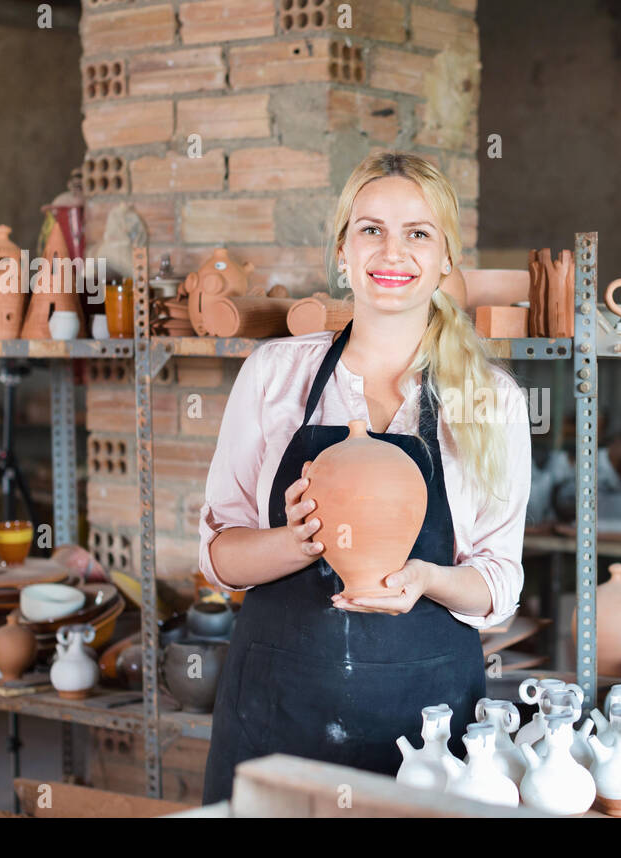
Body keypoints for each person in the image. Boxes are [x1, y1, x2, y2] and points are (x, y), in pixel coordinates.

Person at [197, 152, 531, 802]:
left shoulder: (490, 399)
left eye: (418, 233)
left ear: (445, 261)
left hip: (423, 729)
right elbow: (219, 558)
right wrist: (290, 543)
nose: (392, 252)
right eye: (371, 229)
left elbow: (501, 581)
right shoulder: (275, 376)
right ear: (342, 253)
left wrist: (428, 579)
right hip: (277, 716)